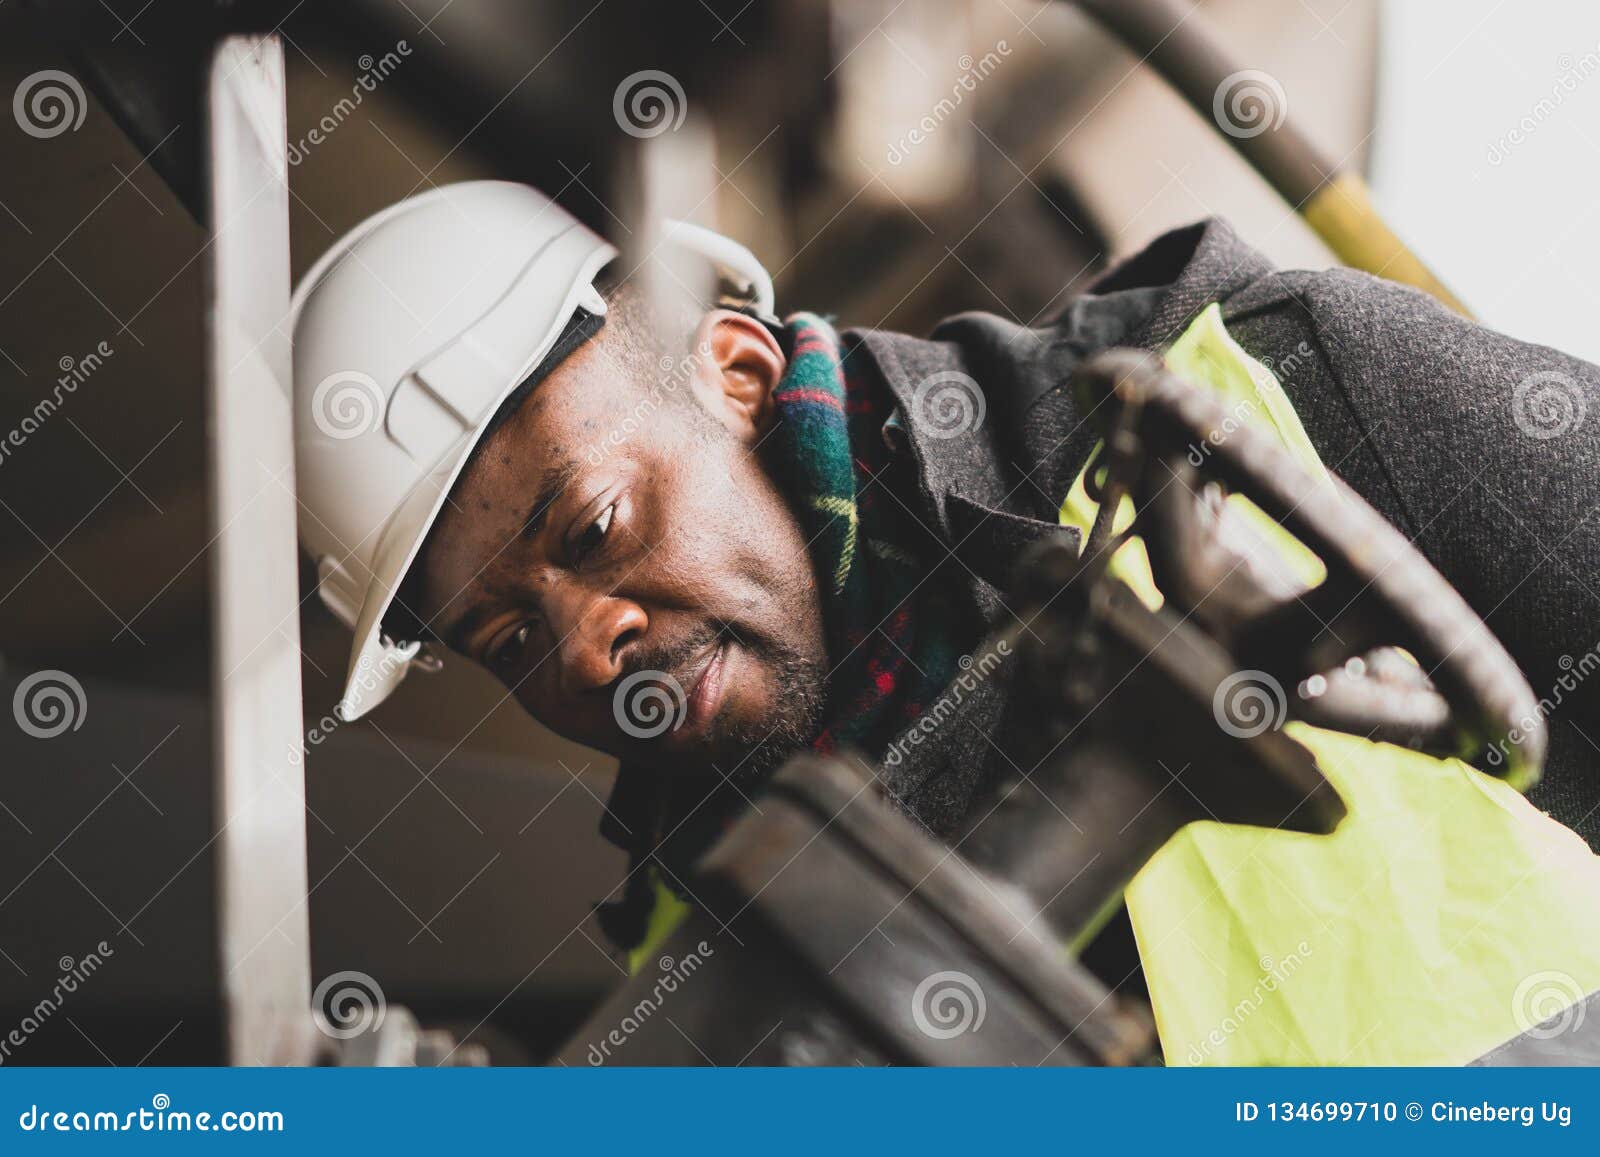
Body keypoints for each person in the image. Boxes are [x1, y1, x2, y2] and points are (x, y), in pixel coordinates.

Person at [291, 181, 1600, 959]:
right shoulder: (687, 939)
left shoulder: (1260, 398)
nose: (582, 650)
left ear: (740, 376)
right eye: (507, 639)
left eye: (589, 533)